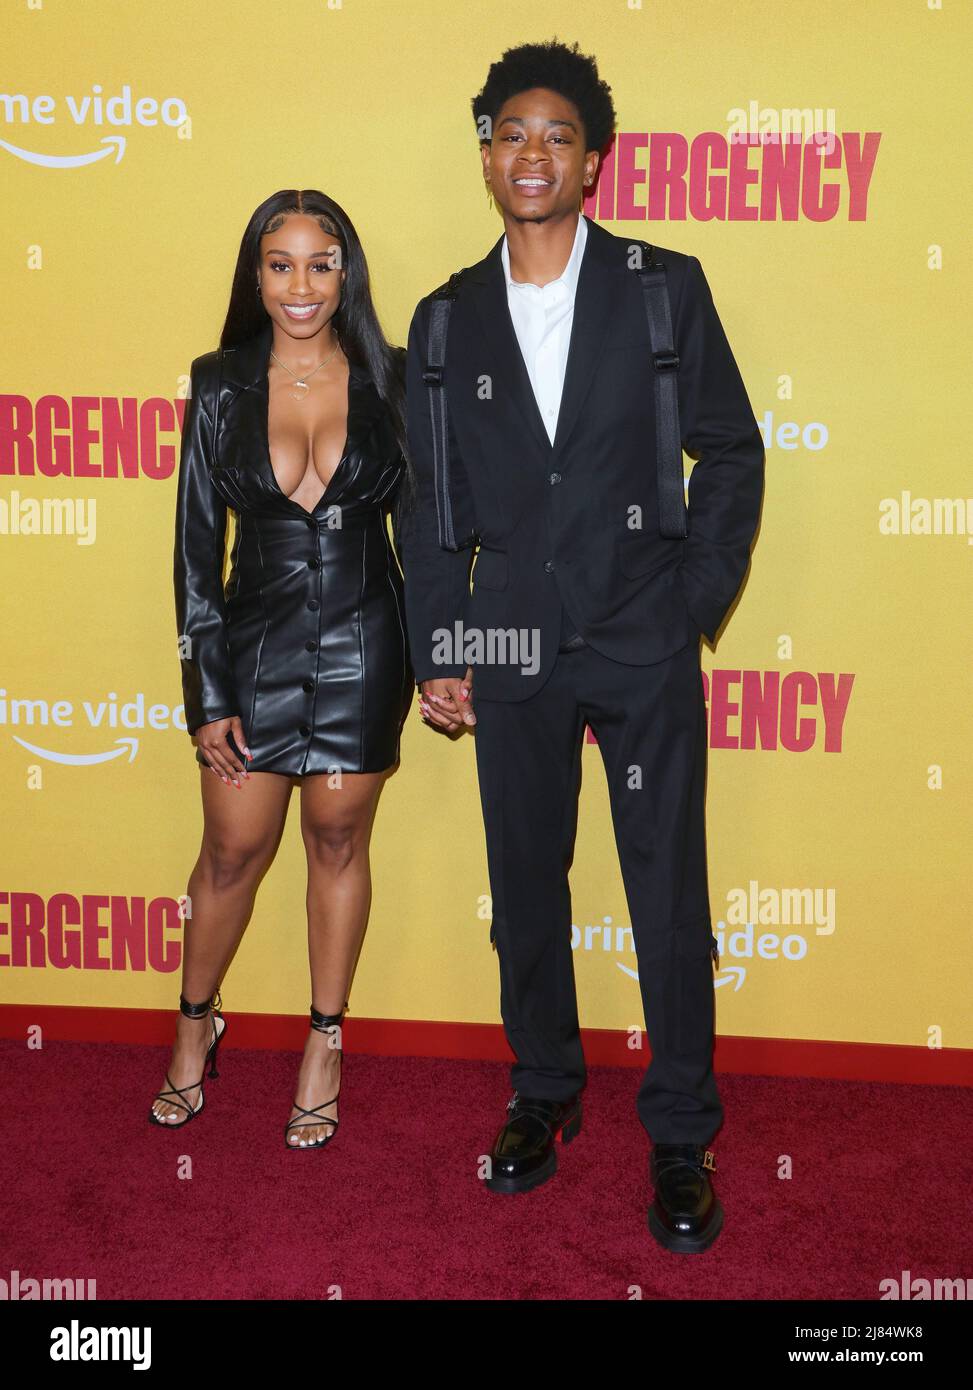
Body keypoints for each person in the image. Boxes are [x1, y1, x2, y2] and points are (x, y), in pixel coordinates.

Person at [398, 41, 764, 1251]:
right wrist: (438, 639)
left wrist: (691, 596)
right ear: (486, 152)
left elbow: (732, 450)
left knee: (666, 893)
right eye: (511, 131)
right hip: (503, 639)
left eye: (558, 134)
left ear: (592, 159)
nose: (533, 152)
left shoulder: (665, 289)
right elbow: (425, 498)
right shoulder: (444, 318)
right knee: (526, 888)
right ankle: (543, 1096)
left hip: (639, 637)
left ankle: (679, 1135)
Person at [150, 190, 413, 1149]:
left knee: (338, 844)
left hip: (363, 644)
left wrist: (442, 657)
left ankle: (323, 1045)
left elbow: (419, 533)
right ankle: (194, 1025)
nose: (301, 285)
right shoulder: (218, 382)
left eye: (321, 262)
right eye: (280, 263)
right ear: (254, 275)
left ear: (347, 273)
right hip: (252, 650)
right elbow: (192, 554)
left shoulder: (390, 377)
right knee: (230, 851)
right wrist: (206, 694)